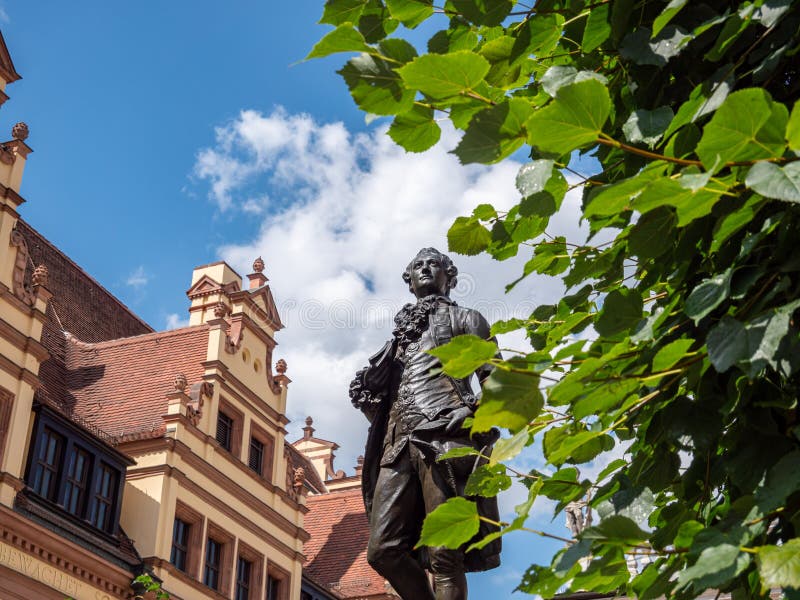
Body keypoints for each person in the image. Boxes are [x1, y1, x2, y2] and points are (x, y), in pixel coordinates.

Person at [349, 247, 501, 600]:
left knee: (446, 553)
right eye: (418, 265)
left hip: (443, 440)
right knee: (383, 550)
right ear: (409, 280)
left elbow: (499, 379)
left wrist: (473, 412)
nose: (425, 269)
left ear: (451, 276)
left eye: (434, 264)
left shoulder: (467, 319)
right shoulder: (399, 338)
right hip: (397, 446)